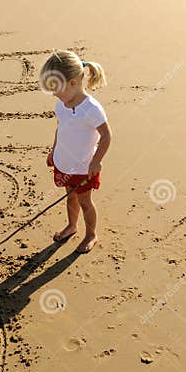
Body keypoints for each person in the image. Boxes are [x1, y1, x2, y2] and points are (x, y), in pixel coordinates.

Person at [40, 50, 112, 253]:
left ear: (73, 83)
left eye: (56, 89)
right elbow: (60, 128)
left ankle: (91, 235)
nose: (54, 94)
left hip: (83, 166)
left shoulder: (91, 109)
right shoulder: (61, 104)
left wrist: (96, 162)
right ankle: (72, 226)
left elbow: (106, 136)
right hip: (64, 163)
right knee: (70, 197)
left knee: (85, 201)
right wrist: (53, 151)